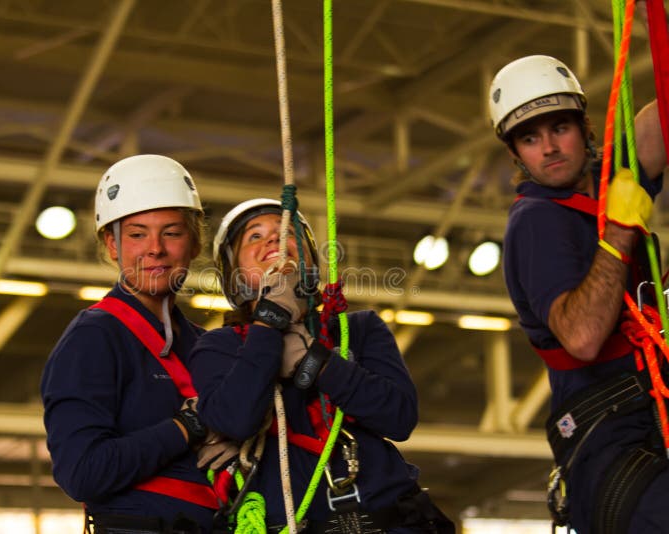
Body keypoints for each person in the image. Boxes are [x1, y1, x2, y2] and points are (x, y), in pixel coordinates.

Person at [188, 198, 454, 533]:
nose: (273, 240)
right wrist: (269, 324)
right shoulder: (220, 347)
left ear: (310, 260)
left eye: (287, 233)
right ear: (235, 274)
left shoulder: (357, 330)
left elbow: (399, 417)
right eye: (254, 236)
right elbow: (234, 420)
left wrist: (317, 363)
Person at [489, 51, 669, 533]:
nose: (549, 148)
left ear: (585, 127)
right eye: (530, 138)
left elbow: (660, 120)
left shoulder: (611, 183)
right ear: (515, 154)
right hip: (611, 436)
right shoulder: (536, 223)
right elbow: (583, 337)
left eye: (560, 128)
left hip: (653, 409)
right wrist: (620, 232)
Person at [41, 154, 238, 534]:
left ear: (195, 242)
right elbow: (82, 472)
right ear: (112, 245)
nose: (155, 249)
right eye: (137, 234)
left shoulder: (205, 345)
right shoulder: (94, 337)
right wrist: (187, 426)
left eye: (172, 232)